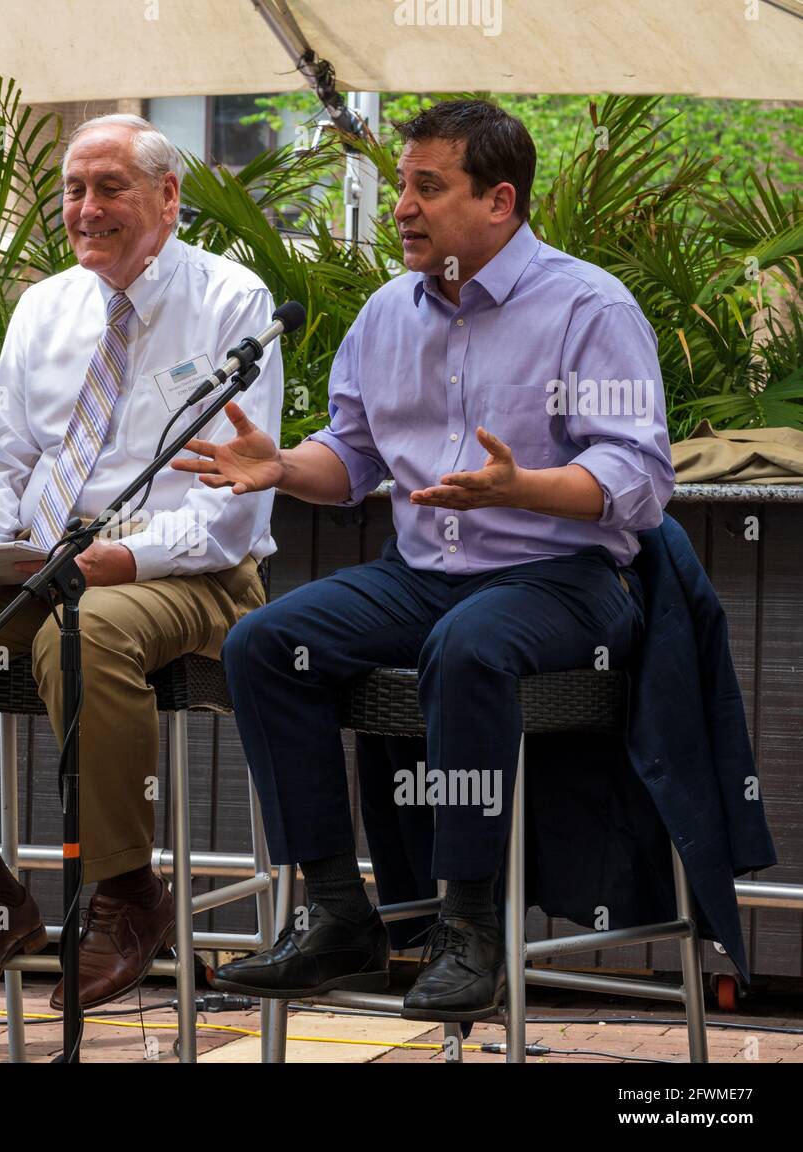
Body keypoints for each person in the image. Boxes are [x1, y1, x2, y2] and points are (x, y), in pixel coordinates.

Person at [178, 100, 675, 1022]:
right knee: (263, 644)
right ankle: (333, 912)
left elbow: (639, 478)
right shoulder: (384, 314)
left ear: (500, 201)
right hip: (424, 574)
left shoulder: (588, 306)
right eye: (401, 185)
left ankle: (469, 924)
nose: (402, 206)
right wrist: (283, 466)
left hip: (563, 577)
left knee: (470, 647)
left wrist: (520, 487)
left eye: (427, 187)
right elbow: (353, 460)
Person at [0, 114, 283, 1011]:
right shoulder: (46, 306)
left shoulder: (233, 303)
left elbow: (228, 515)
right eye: (74, 190)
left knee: (78, 636)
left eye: (109, 187)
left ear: (168, 197)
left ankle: (126, 894)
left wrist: (111, 560)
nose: (85, 207)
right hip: (36, 564)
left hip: (181, 575)